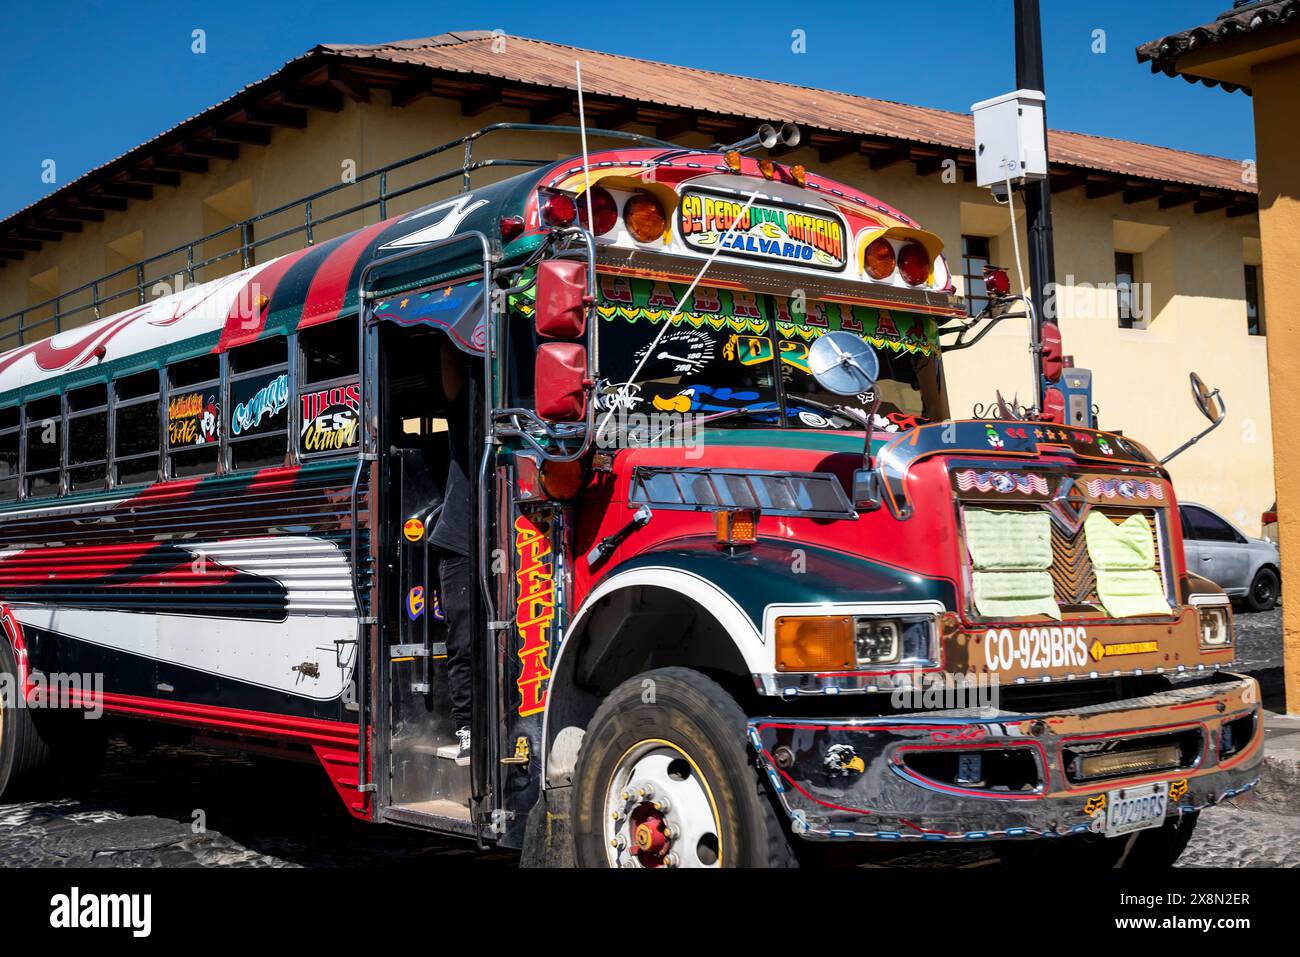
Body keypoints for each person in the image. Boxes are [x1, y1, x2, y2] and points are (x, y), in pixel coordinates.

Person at [429, 339, 473, 766]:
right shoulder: (469, 402)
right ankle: (467, 733)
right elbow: (449, 359)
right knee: (463, 641)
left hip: (504, 536)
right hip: (461, 537)